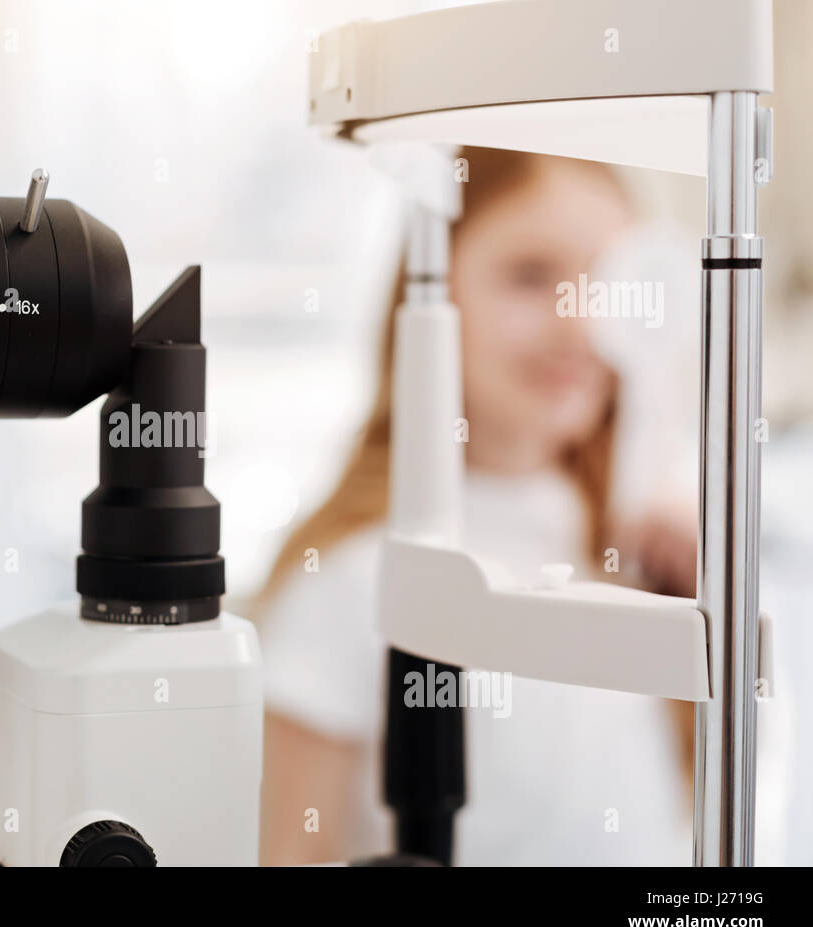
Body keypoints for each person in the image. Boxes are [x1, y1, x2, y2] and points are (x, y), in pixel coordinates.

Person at [256, 147, 698, 866]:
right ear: (427, 298)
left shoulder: (638, 555)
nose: (581, 325)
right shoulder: (350, 584)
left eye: (610, 285)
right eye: (531, 276)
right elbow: (289, 854)